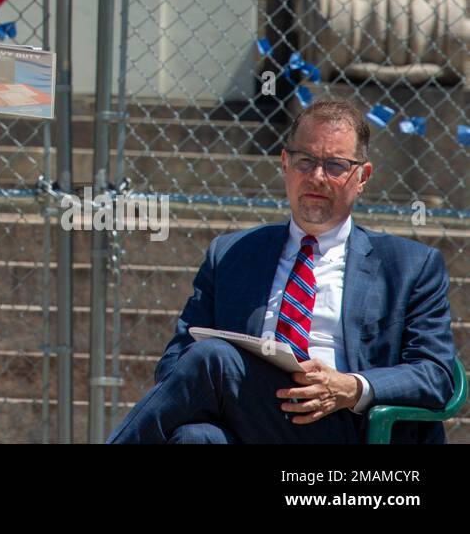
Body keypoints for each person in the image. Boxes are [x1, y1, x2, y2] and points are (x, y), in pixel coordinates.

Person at [108, 98, 456, 444]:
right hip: (250, 420)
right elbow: (175, 362)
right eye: (306, 161)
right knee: (195, 438)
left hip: (346, 426)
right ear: (285, 163)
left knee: (213, 357)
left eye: (335, 166)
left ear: (362, 176)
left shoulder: (410, 265)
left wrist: (350, 387)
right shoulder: (231, 254)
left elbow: (436, 375)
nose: (317, 177)